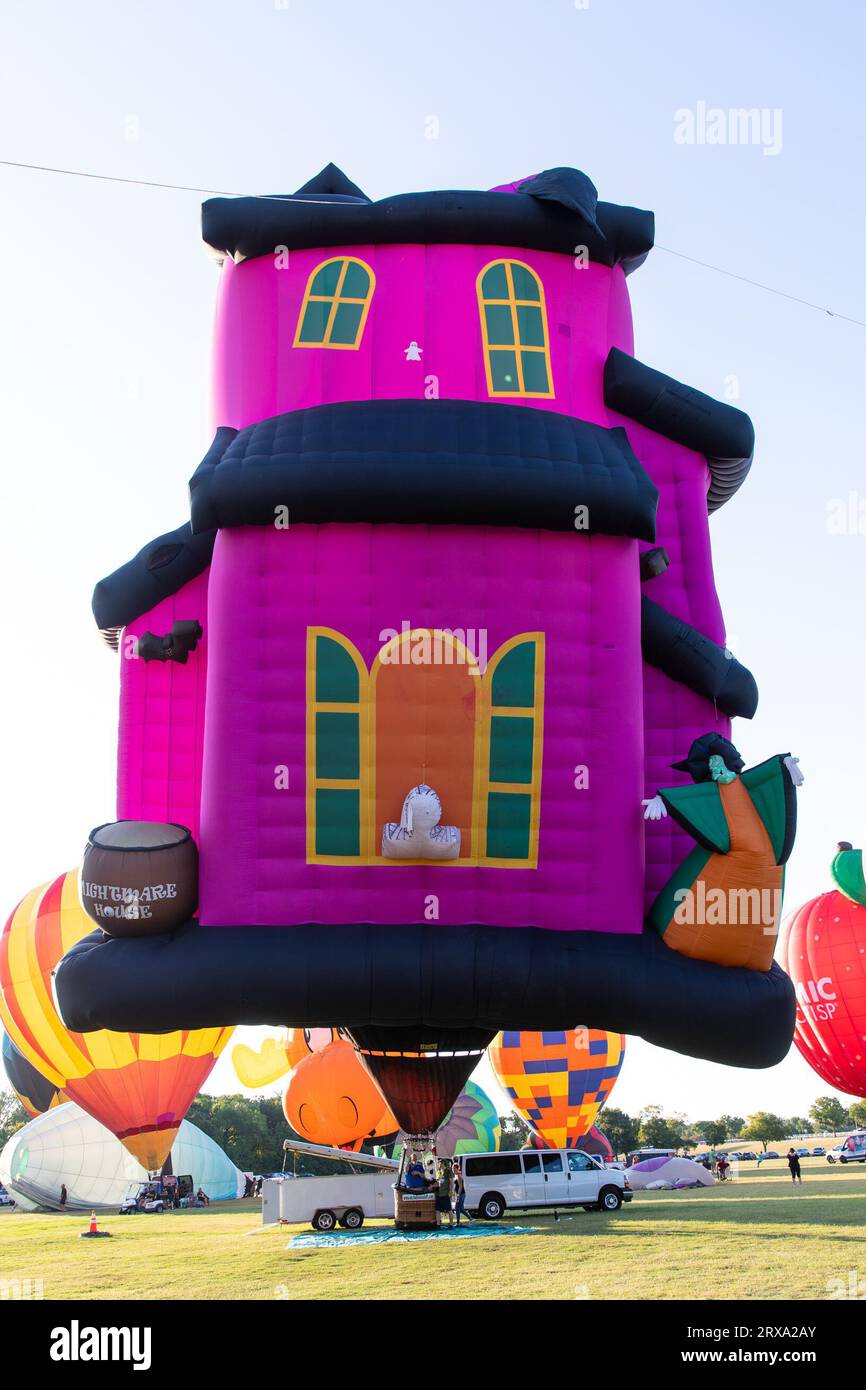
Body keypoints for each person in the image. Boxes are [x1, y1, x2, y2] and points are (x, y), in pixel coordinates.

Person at [435, 1160, 454, 1227]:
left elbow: (451, 1182)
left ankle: (451, 1224)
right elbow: (437, 1182)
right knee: (437, 1210)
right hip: (439, 1194)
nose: (438, 1165)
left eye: (439, 1163)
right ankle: (438, 1224)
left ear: (443, 1163)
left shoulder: (448, 1171)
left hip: (446, 1194)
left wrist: (451, 1191)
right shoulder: (438, 1172)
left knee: (449, 1209)